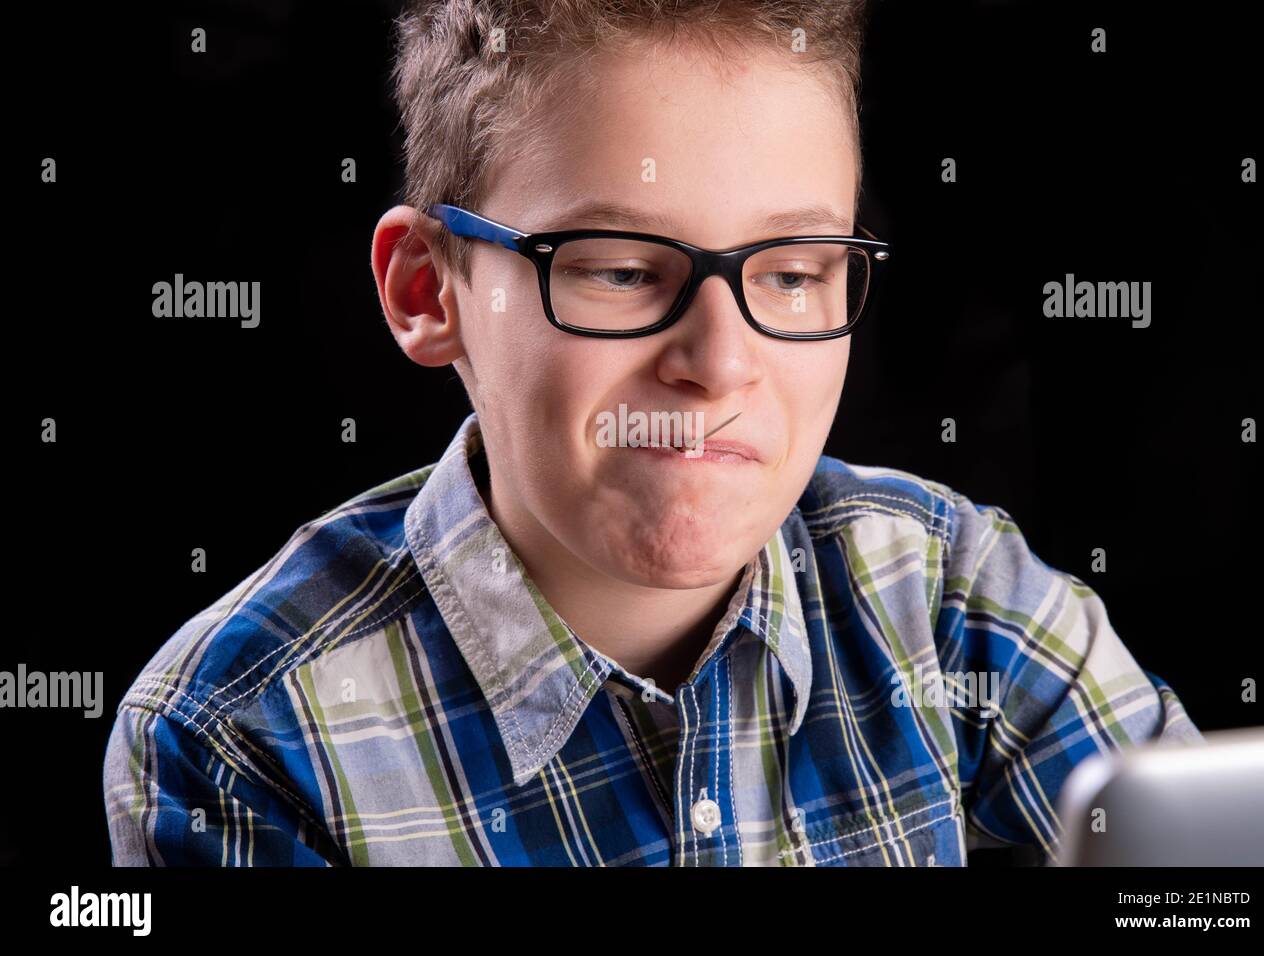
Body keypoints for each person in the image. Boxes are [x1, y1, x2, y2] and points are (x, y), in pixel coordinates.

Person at [103, 0, 1200, 866]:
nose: (719, 361)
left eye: (790, 271)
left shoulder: (952, 595)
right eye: (621, 270)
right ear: (428, 290)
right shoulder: (239, 738)